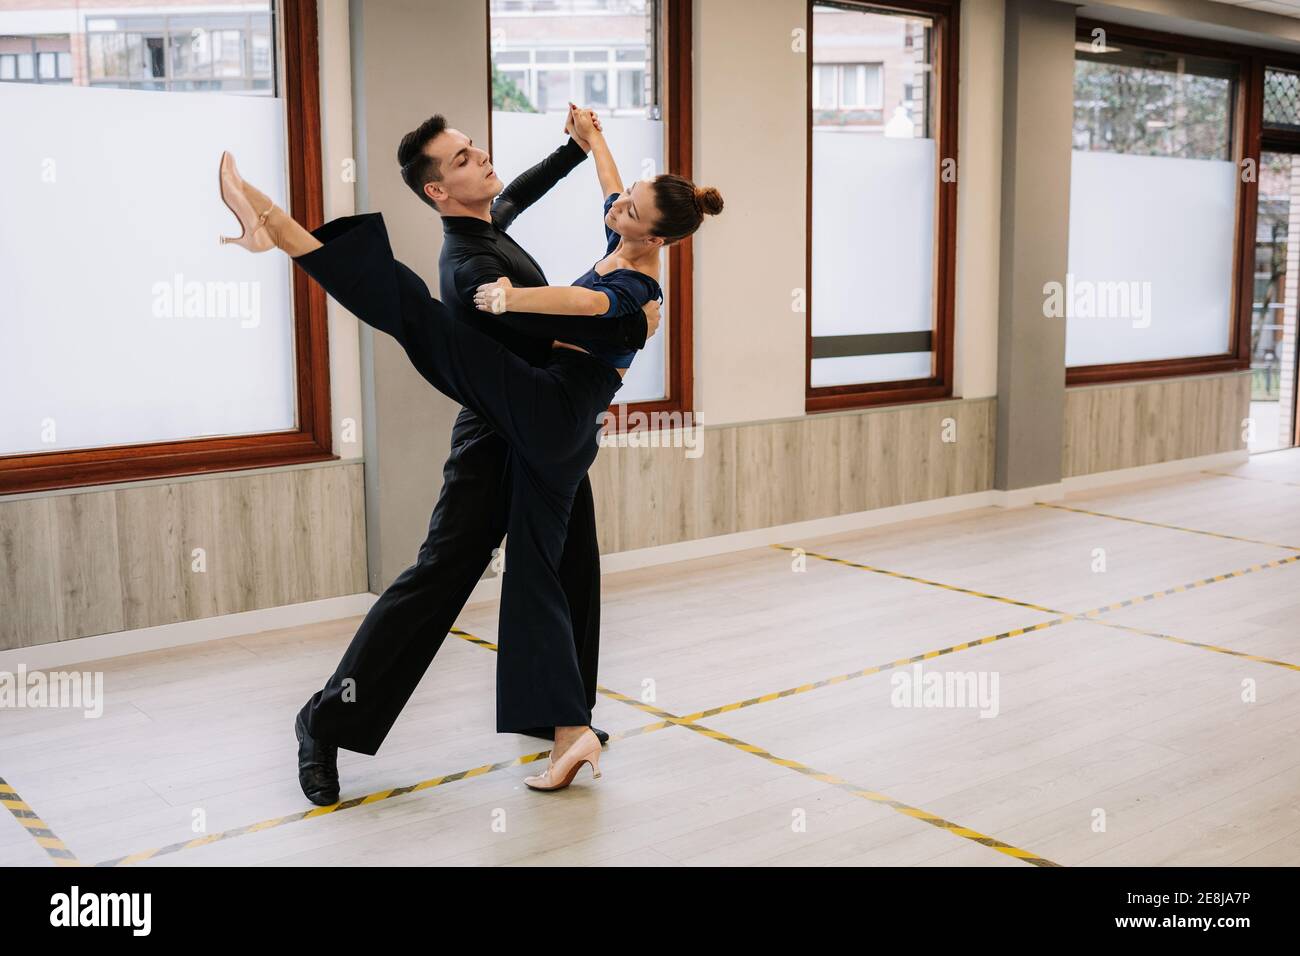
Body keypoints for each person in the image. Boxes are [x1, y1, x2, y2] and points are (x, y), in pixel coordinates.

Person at [217, 109, 721, 793]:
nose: (479, 155)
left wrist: (576, 149)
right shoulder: (467, 265)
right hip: (499, 427)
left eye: (472, 148)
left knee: (571, 568)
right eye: (460, 159)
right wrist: (631, 318)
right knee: (440, 578)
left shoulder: (486, 224)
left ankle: (563, 721)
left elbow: (527, 198)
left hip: (546, 416)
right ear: (438, 193)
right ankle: (325, 723)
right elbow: (567, 305)